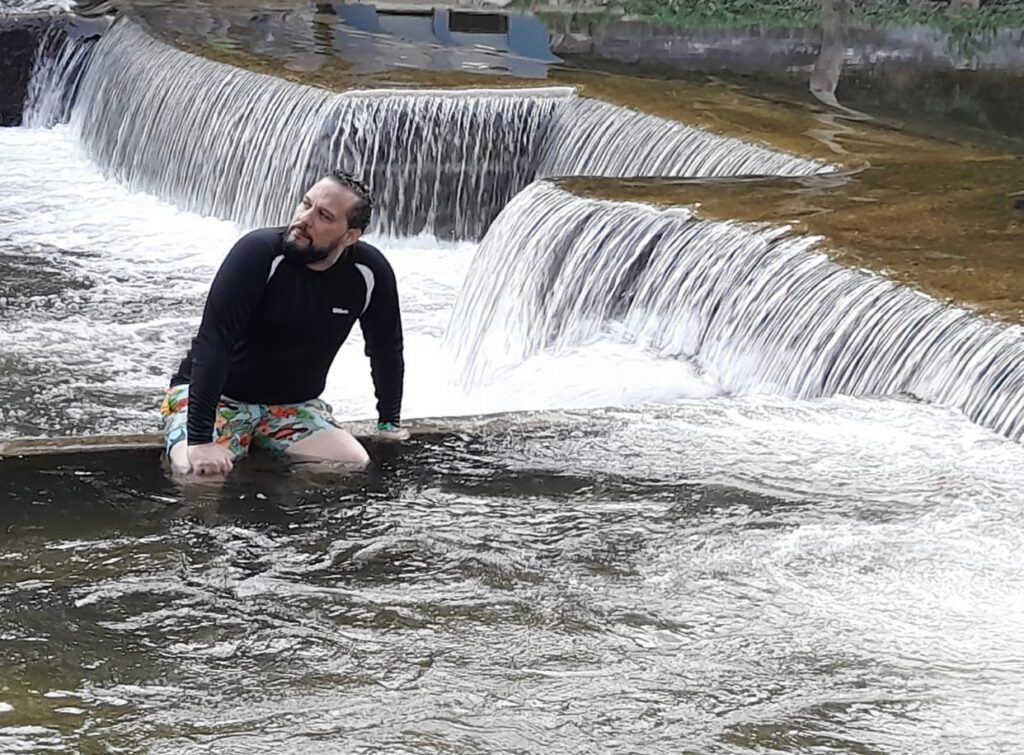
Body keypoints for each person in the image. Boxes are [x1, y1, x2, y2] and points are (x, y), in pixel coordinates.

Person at [160, 171, 407, 476]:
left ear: (350, 235)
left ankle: (283, 515)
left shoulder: (369, 273)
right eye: (306, 204)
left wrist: (388, 422)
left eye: (324, 216)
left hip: (292, 407)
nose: (305, 219)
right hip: (217, 398)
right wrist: (199, 441)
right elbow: (214, 342)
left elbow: (386, 348)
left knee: (351, 463)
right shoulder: (258, 253)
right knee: (195, 471)